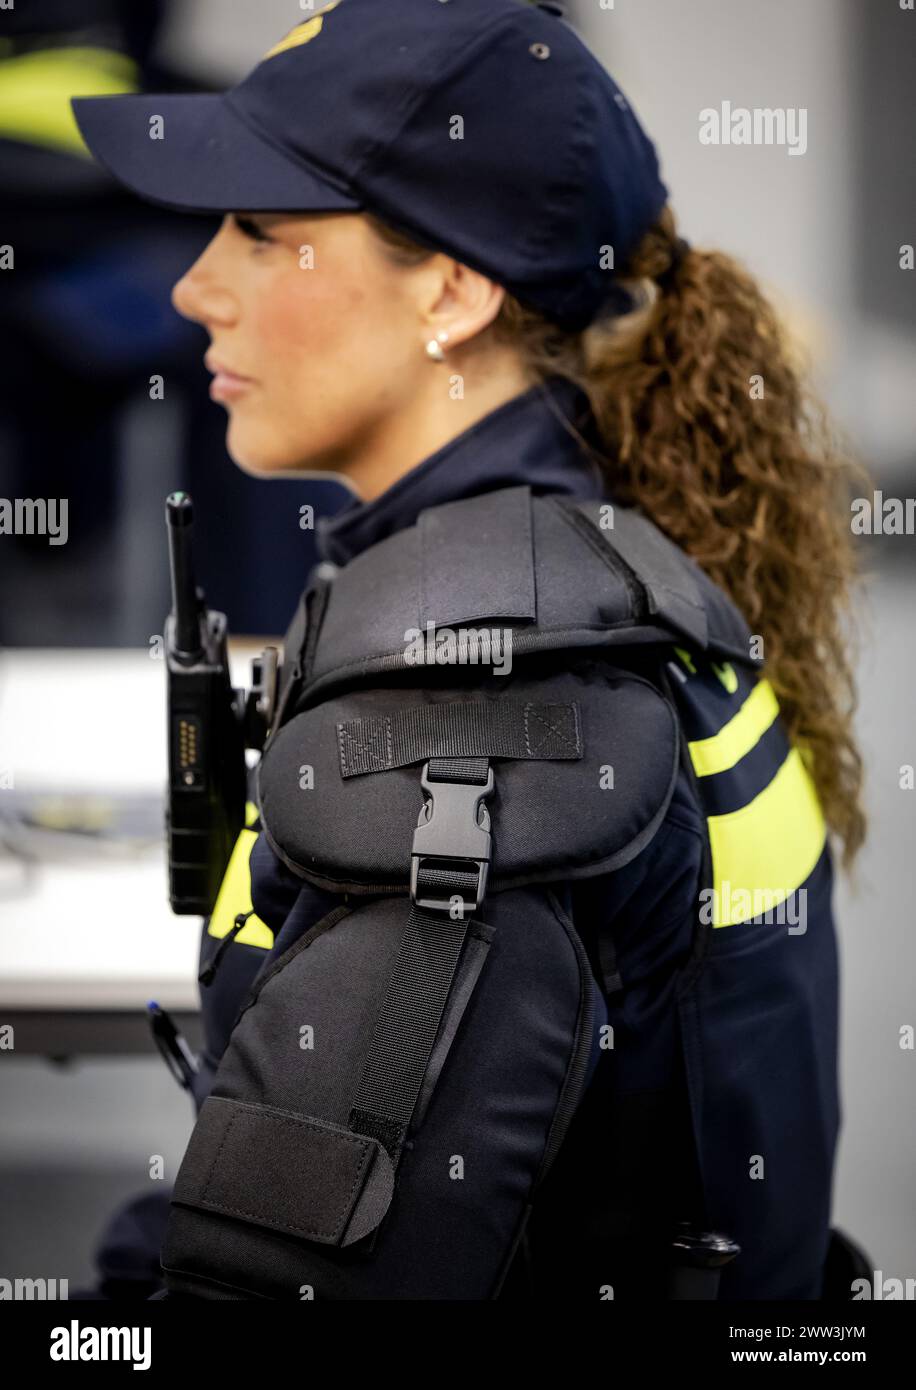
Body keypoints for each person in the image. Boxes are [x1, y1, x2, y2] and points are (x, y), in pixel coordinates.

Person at [71, 0, 867, 1300]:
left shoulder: (474, 711)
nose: (192, 287)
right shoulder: (557, 562)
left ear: (450, 290)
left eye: (263, 233)